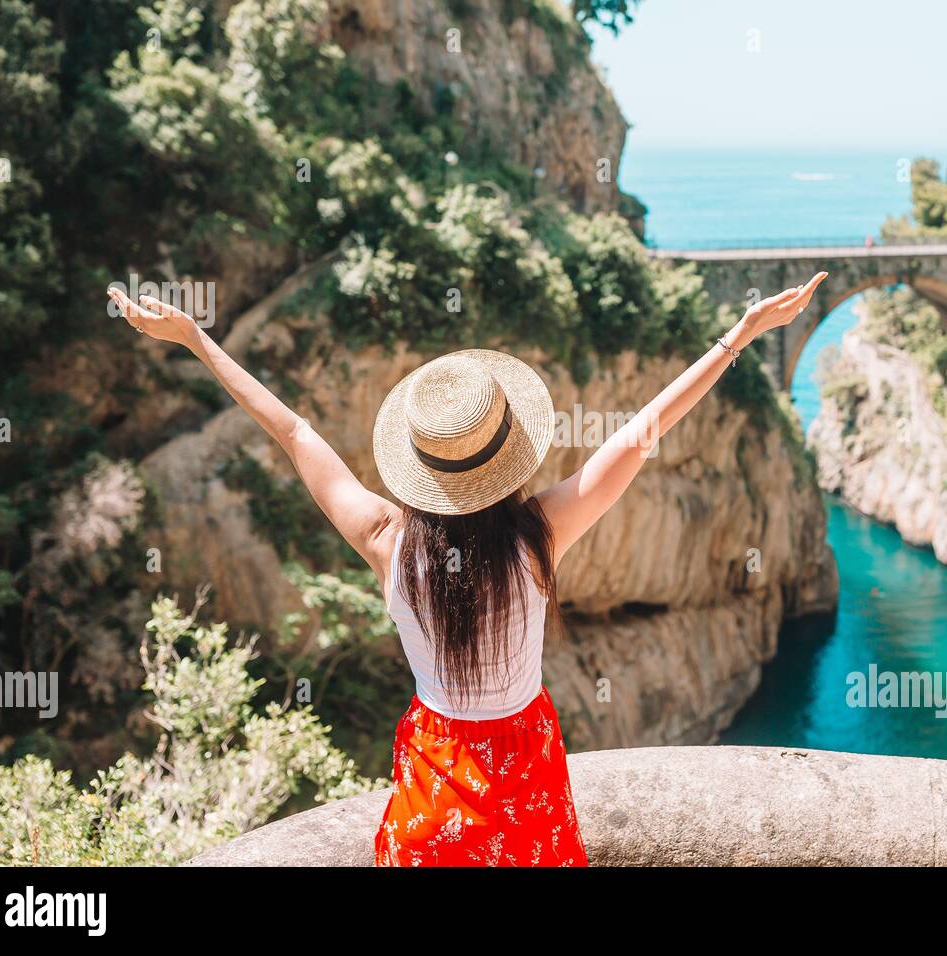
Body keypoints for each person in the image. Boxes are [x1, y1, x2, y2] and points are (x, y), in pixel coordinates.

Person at [107, 269, 827, 866]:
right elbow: (641, 435)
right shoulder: (539, 534)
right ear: (508, 456)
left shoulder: (387, 541)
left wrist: (198, 340)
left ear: (419, 468)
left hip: (436, 773)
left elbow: (294, 431)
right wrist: (741, 335)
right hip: (526, 772)